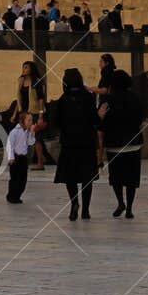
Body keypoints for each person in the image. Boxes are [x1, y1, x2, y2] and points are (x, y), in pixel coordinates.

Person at [53, 67, 99, 221]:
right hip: (87, 143)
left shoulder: (63, 99)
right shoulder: (88, 97)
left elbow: (57, 122)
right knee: (87, 177)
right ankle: (85, 210)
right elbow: (94, 120)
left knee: (70, 177)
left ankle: (74, 203)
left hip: (69, 143)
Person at [99, 69, 144, 219]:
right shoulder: (135, 98)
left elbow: (101, 122)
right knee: (131, 179)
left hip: (114, 144)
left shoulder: (107, 100)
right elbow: (140, 118)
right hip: (133, 144)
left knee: (116, 177)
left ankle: (120, 202)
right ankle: (130, 208)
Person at [4, 113, 33, 204]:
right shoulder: (14, 132)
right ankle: (11, 196)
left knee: (23, 179)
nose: (31, 122)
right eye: (28, 120)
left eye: (31, 120)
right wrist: (11, 157)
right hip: (15, 158)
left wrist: (32, 133)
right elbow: (10, 145)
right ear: (22, 121)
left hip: (23, 158)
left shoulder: (27, 131)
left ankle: (17, 195)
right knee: (15, 179)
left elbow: (30, 142)